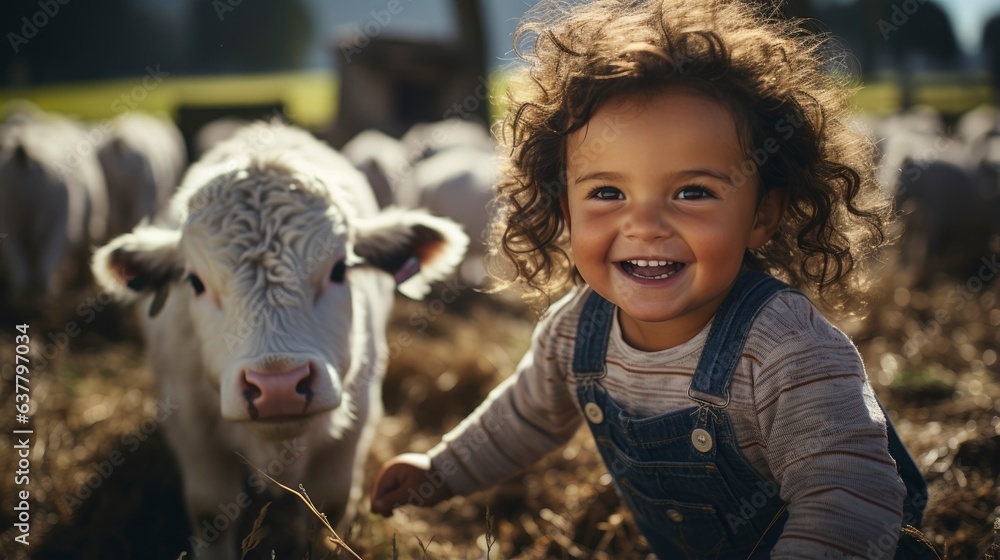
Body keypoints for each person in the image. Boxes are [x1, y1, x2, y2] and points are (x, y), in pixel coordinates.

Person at [371, 0, 935, 557]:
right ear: (563, 210)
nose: (643, 225)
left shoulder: (786, 349)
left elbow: (848, 498)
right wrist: (439, 469)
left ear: (762, 214)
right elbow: (524, 416)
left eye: (692, 192)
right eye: (607, 193)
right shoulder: (576, 333)